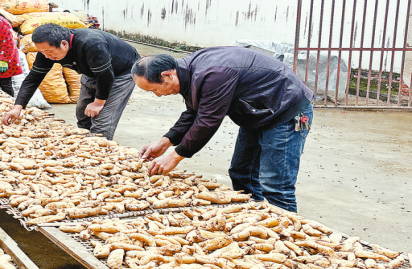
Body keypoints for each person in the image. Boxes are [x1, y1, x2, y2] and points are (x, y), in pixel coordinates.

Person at [133, 48, 314, 212]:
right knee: (242, 173)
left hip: (285, 110)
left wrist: (175, 156)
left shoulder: (213, 74)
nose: (158, 95)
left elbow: (207, 120)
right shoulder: (186, 71)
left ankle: (288, 232)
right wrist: (166, 141)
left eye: (155, 90)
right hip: (257, 112)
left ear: (167, 75)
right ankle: (254, 217)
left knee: (275, 185)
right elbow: (195, 111)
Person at [2, 24, 140, 140]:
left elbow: (106, 76)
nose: (47, 57)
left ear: (64, 43)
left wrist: (99, 102)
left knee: (101, 119)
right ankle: (85, 143)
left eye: (50, 52)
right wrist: (17, 107)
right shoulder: (47, 51)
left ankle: (100, 151)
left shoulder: (91, 44)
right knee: (82, 113)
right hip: (93, 70)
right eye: (43, 52)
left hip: (122, 71)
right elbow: (33, 78)